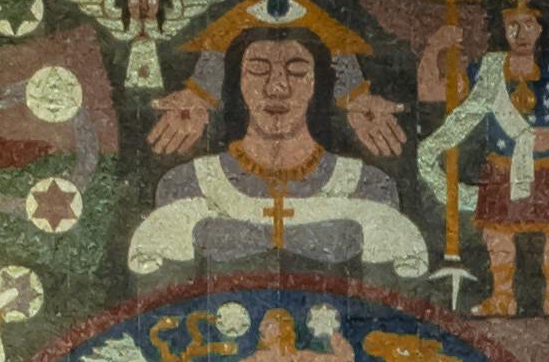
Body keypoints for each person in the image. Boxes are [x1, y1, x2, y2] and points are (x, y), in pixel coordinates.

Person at [128, 24, 424, 281]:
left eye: (297, 71)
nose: (277, 87)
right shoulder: (186, 185)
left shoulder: (369, 188)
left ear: (317, 83)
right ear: (236, 82)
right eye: (258, 69)